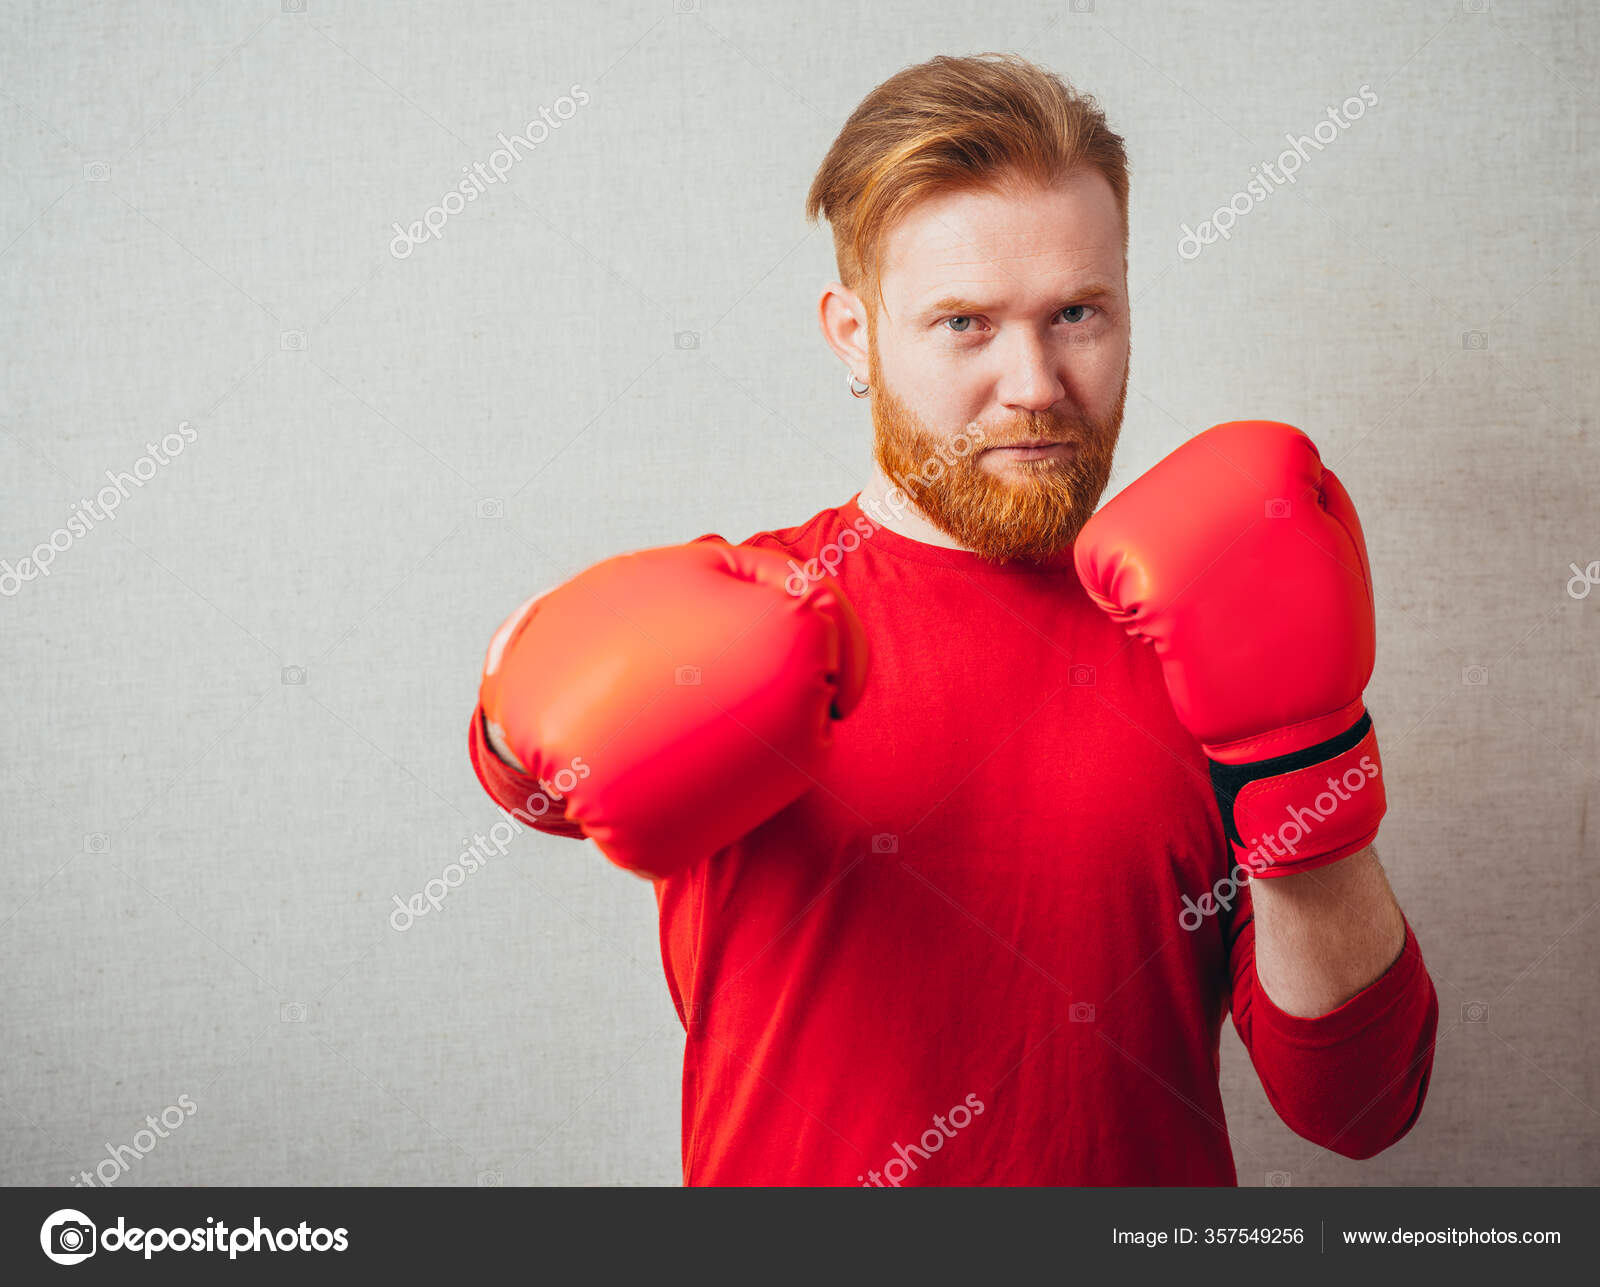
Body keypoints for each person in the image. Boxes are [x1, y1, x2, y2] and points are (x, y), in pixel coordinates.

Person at [468, 52, 1437, 1186]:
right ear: (852, 333)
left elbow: (1360, 1108)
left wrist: (1300, 751)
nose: (1033, 382)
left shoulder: (1213, 616)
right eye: (965, 322)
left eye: (1076, 312)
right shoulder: (745, 610)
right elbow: (531, 777)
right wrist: (514, 722)